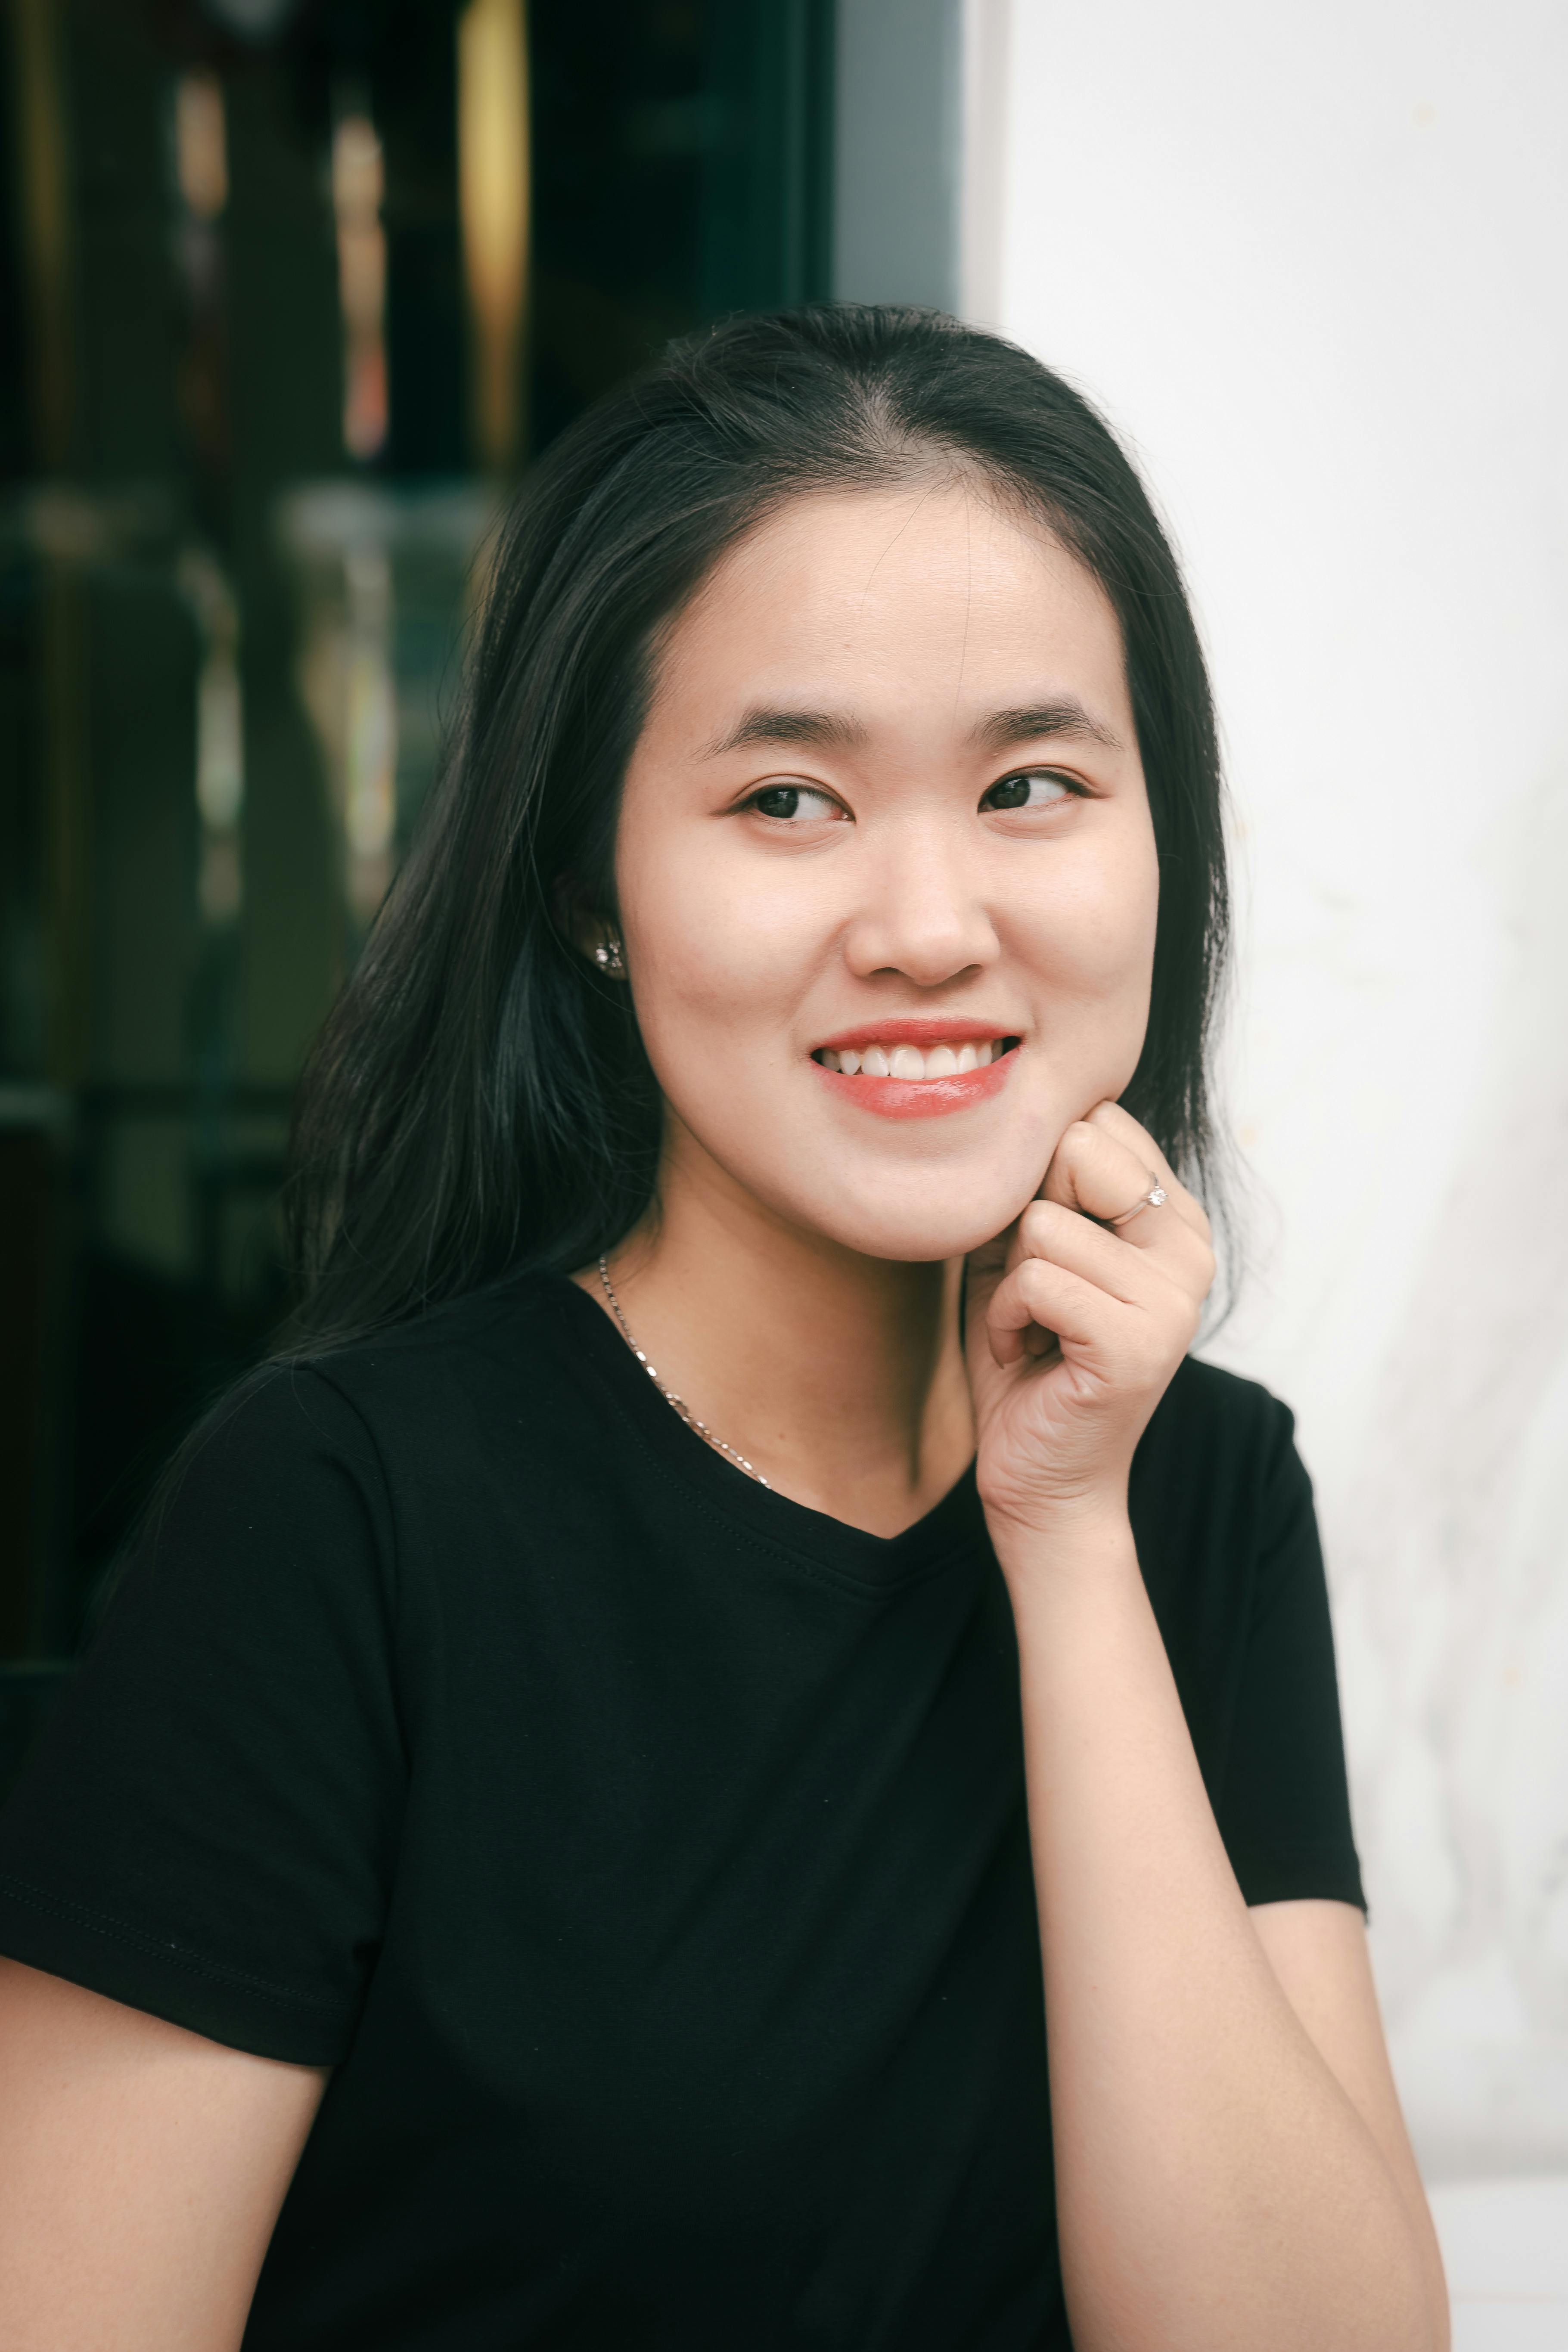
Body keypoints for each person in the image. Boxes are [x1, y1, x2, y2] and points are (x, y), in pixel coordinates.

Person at [0, 306, 1447, 2352]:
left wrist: (1065, 1542)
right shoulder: (343, 1521)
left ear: (1160, 844)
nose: (931, 920)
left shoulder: (1194, 1498)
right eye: (787, 801)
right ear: (595, 881)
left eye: (1031, 783)